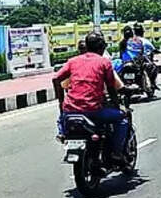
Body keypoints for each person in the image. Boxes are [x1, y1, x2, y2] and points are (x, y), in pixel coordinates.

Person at [53, 33, 130, 162]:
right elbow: (111, 88)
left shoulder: (73, 61)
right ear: (102, 47)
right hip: (93, 110)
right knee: (122, 119)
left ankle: (63, 134)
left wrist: (61, 101)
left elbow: (56, 79)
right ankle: (116, 152)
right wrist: (118, 105)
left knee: (63, 120)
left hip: (69, 110)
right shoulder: (104, 62)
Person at [121, 23, 158, 88]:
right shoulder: (140, 41)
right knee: (152, 66)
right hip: (137, 62)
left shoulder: (122, 42)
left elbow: (121, 54)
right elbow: (143, 52)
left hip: (125, 62)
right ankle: (151, 84)